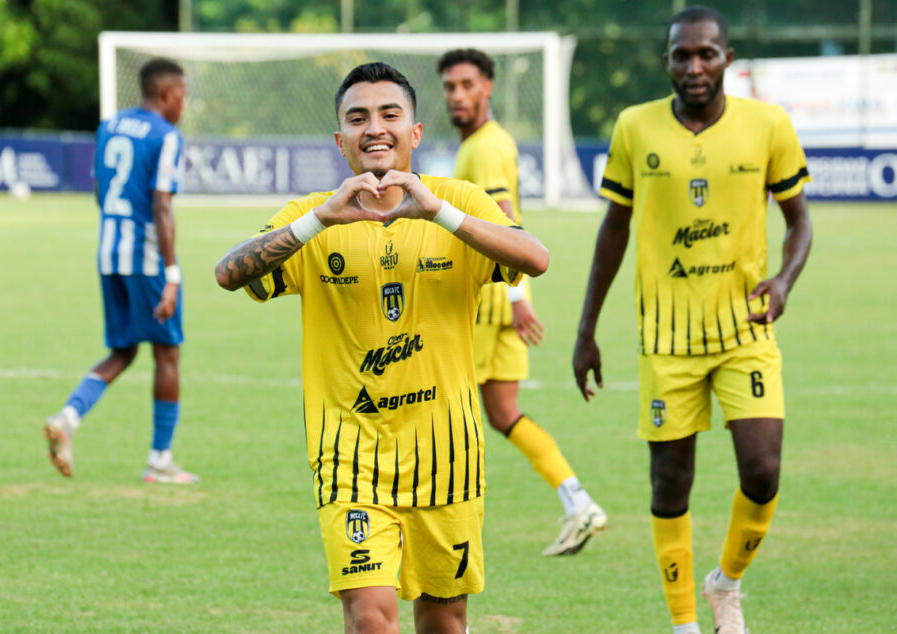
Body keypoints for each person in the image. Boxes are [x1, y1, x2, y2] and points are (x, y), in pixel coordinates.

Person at [215, 62, 548, 633]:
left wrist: (438, 212)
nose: (375, 127)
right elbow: (228, 273)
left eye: (390, 114)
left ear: (415, 132)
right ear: (340, 139)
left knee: (445, 623)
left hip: (448, 455)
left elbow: (533, 258)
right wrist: (319, 220)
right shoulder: (313, 216)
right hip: (350, 457)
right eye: (358, 117)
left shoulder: (456, 199)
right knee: (370, 618)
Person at [572, 7, 812, 633]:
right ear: (668, 62)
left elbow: (801, 222)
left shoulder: (768, 126)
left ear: (728, 58)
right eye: (682, 55)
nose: (695, 66)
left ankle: (725, 584)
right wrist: (586, 329)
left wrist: (783, 281)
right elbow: (613, 232)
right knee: (669, 488)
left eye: (707, 53)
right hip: (666, 340)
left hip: (745, 330)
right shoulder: (634, 127)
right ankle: (684, 626)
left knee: (762, 471)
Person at [438, 48, 607, 557]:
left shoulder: (486, 149)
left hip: (489, 304)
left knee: (448, 406)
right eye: (449, 87)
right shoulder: (486, 143)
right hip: (498, 300)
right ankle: (577, 501)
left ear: (488, 86)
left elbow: (504, 223)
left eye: (467, 84)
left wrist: (514, 297)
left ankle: (447, 526)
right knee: (501, 412)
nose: (458, 95)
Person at [43, 58, 199, 484]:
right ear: (167, 93)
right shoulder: (167, 135)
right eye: (183, 95)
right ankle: (160, 461)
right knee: (167, 354)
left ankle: (68, 418)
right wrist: (171, 274)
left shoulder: (108, 126)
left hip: (109, 253)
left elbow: (98, 190)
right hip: (146, 258)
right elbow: (162, 204)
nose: (184, 104)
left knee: (124, 350)